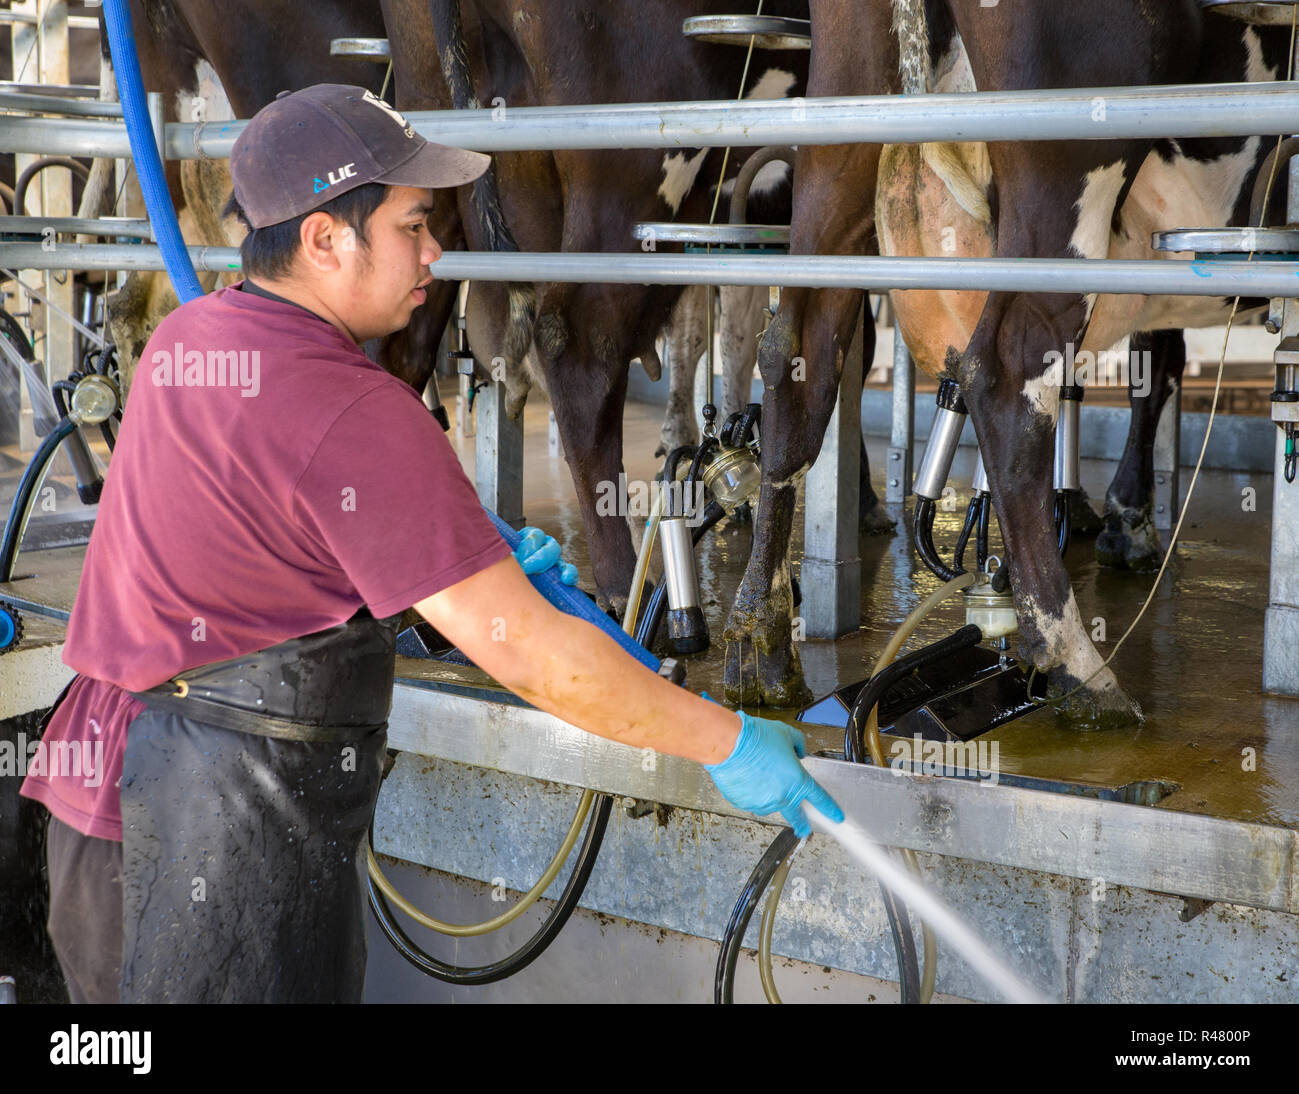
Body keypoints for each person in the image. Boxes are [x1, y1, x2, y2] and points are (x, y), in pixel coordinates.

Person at [19, 84, 842, 1004]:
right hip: (214, 842)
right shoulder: (360, 412)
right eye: (413, 225)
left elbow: (262, 546)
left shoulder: (188, 339)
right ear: (325, 238)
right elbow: (529, 656)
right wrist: (725, 742)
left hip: (96, 812)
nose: (436, 253)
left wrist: (442, 546)